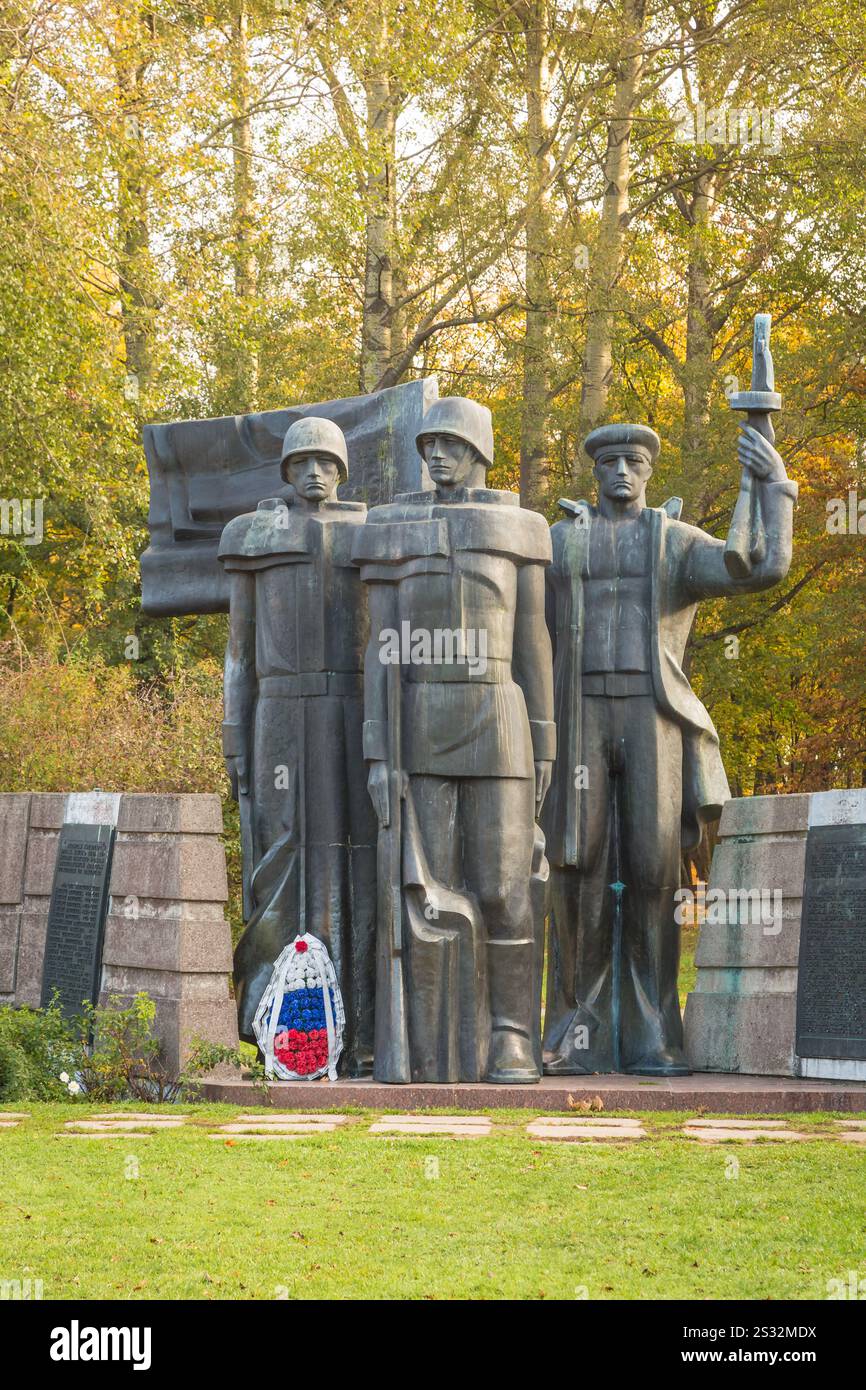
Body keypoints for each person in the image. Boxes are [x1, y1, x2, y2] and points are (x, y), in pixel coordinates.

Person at [542, 421, 797, 1075]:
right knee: (578, 869)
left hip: (651, 716)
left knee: (656, 870)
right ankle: (577, 1030)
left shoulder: (672, 541)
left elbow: (758, 565)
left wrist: (771, 484)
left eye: (634, 460)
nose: (622, 471)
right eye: (610, 462)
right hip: (581, 718)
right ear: (593, 473)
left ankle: (655, 1032)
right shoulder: (560, 542)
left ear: (649, 471)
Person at [218, 417, 376, 1074]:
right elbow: (238, 650)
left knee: (355, 859)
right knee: (277, 851)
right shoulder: (256, 534)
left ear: (342, 469)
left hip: (352, 703)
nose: (314, 472)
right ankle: (267, 1019)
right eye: (301, 462)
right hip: (279, 708)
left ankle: (359, 1023)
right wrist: (234, 732)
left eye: (325, 461)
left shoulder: (370, 532)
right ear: (286, 470)